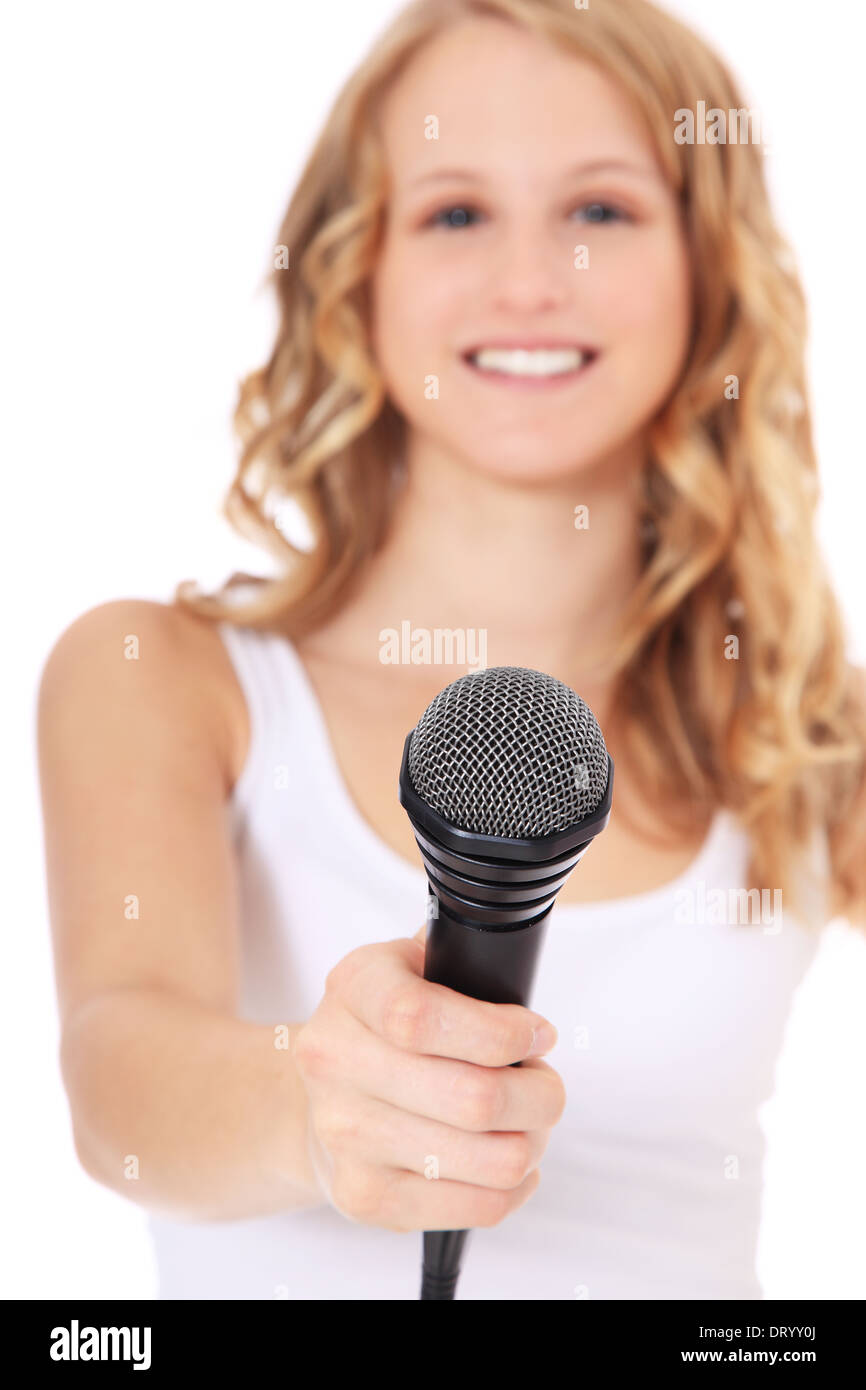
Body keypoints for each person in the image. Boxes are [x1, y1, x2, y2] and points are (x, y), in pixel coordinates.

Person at [38, 0, 866, 1300]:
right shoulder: (162, 677)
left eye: (599, 209)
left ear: (708, 268)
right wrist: (315, 1114)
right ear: (349, 275)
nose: (528, 279)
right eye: (453, 212)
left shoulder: (812, 725)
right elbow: (118, 1076)